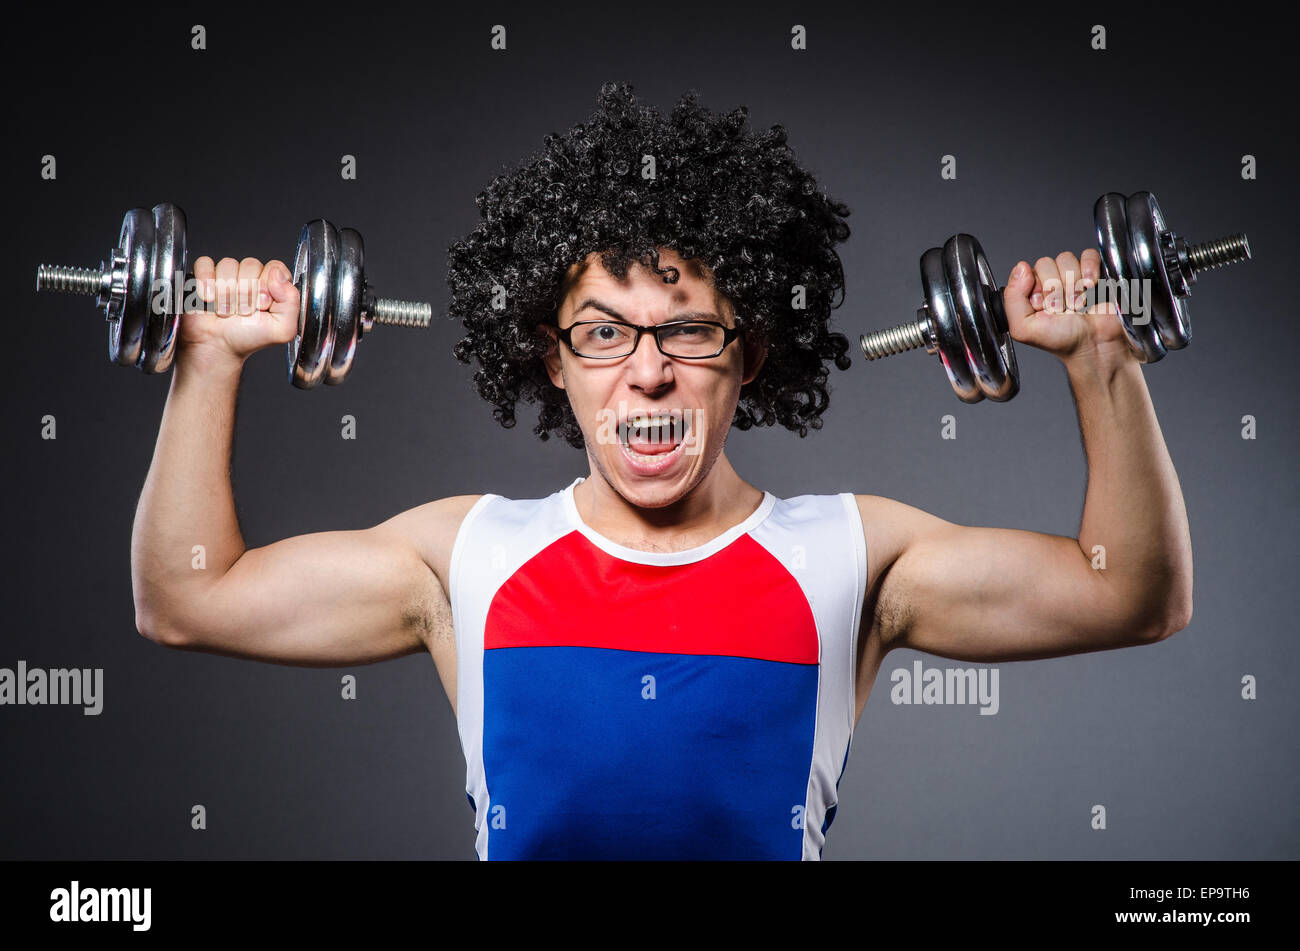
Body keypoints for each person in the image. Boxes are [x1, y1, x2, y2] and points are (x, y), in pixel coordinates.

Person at [132, 83, 1192, 860]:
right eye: (601, 336)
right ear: (552, 362)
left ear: (751, 355)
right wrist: (209, 362)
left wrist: (1103, 359)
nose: (646, 374)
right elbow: (187, 597)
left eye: (687, 331)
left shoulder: (851, 556)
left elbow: (1130, 594)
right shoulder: (469, 558)